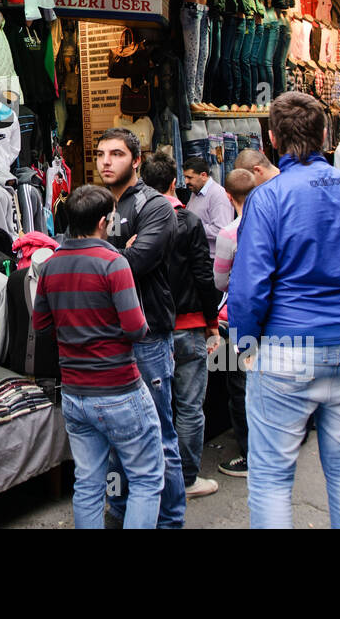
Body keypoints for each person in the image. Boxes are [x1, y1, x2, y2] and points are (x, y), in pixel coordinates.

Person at [227, 92, 340, 529]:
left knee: (271, 478)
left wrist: (243, 345)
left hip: (285, 349)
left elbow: (249, 288)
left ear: (273, 139)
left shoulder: (269, 198)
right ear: (324, 135)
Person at [33, 184, 163, 529]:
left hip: (75, 392)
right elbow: (136, 328)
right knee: (147, 478)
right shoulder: (113, 263)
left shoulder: (50, 266)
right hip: (118, 387)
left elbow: (41, 324)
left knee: (89, 483)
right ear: (104, 221)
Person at [95, 130, 186, 526]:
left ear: (136, 161)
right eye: (100, 154)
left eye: (116, 154)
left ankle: (169, 520)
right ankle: (119, 512)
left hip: (148, 335)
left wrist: (106, 252)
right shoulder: (96, 204)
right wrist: (119, 252)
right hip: (108, 337)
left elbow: (137, 262)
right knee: (115, 439)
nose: (105, 161)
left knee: (159, 436)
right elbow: (80, 259)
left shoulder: (155, 206)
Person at [140, 151, 222, 500]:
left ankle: (155, 479)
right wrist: (212, 322)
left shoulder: (135, 220)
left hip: (148, 329)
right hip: (187, 327)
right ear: (175, 182)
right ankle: (186, 479)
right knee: (189, 406)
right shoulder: (188, 222)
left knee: (154, 409)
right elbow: (205, 276)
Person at [211, 167, 259, 477]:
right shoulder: (274, 226)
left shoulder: (229, 233)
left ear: (228, 196)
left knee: (239, 385)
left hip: (238, 315)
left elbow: (219, 281)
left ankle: (250, 454)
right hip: (273, 314)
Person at [181, 156, 235, 255]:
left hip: (211, 258)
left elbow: (220, 230)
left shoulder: (218, 194)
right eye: (185, 177)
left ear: (203, 175)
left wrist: (191, 229)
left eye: (189, 177)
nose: (186, 182)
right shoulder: (195, 191)